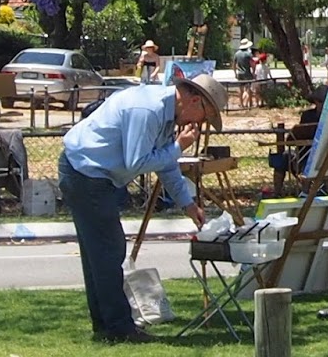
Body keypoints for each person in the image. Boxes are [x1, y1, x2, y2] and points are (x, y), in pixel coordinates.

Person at [57, 73, 228, 345]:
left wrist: (187, 202)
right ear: (194, 101)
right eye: (204, 116)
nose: (199, 124)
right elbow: (136, 163)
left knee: (99, 256)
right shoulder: (147, 111)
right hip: (86, 173)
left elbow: (165, 164)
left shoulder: (165, 113)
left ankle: (106, 325)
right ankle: (119, 328)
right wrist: (178, 147)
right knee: (108, 252)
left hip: (94, 174)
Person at [231, 38, 255, 107]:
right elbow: (252, 64)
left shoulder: (237, 54)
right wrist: (253, 72)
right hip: (247, 73)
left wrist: (235, 73)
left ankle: (241, 103)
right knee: (248, 89)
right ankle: (249, 103)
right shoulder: (248, 54)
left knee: (241, 90)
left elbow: (234, 65)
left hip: (240, 73)